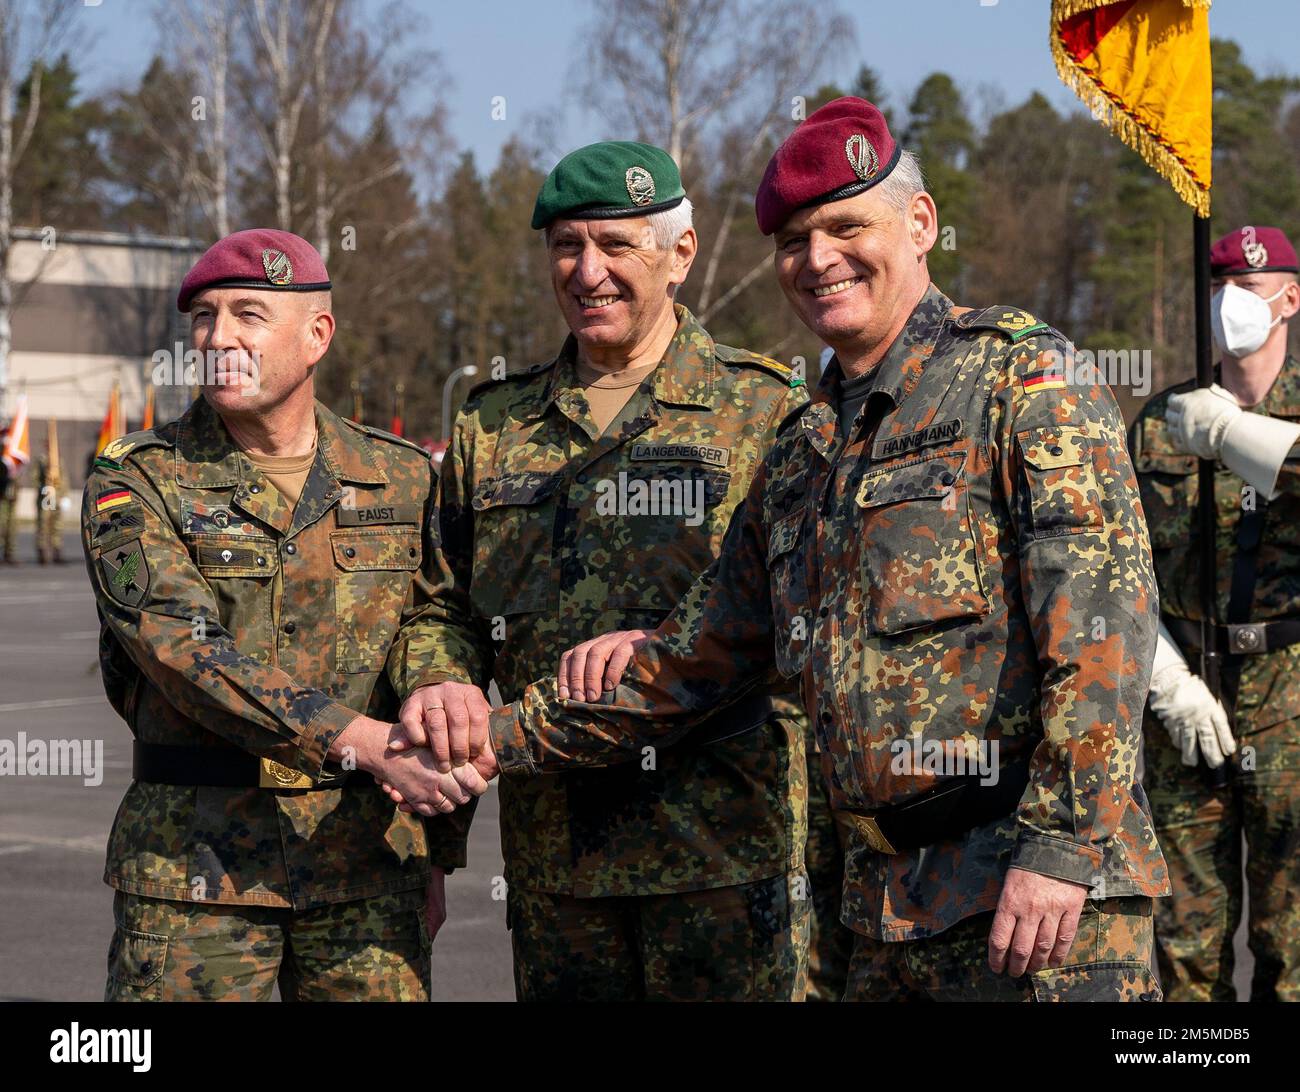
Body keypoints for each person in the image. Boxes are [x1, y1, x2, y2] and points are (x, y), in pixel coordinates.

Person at [416, 97, 1171, 1001]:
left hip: (1036, 900)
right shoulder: (804, 451)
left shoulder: (1020, 380)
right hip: (883, 911)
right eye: (793, 240)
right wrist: (480, 740)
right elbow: (687, 662)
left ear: (921, 224)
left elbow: (1104, 635)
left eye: (848, 226)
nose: (819, 260)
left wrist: (1063, 847)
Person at [393, 141, 813, 1001]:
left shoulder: (766, 411)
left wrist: (664, 642)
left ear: (681, 255)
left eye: (617, 246)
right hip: (556, 866)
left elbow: (796, 615)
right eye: (566, 246)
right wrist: (441, 684)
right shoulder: (494, 427)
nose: (588, 273)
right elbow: (443, 607)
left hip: (722, 856)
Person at [82, 228, 480, 1001]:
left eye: (247, 313)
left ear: (317, 334)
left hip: (366, 869)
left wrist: (436, 851)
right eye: (203, 316)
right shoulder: (137, 479)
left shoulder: (399, 479)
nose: (218, 336)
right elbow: (182, 649)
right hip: (195, 876)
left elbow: (438, 631)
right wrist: (357, 742)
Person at [1131, 224, 1300, 1002]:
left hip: (1289, 697)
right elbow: (1115, 568)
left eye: (1251, 290)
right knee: (1182, 945)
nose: (1231, 306)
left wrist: (1232, 436)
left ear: (1290, 300)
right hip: (1187, 699)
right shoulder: (1162, 421)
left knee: (1290, 938)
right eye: (1219, 288)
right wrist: (1165, 678)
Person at [36, 450, 63, 564]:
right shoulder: (41, 461)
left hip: (56, 498)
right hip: (45, 498)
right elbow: (35, 478)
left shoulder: (58, 460)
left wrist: (64, 496)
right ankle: (42, 552)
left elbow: (63, 479)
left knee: (56, 525)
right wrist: (42, 489)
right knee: (43, 526)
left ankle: (56, 551)